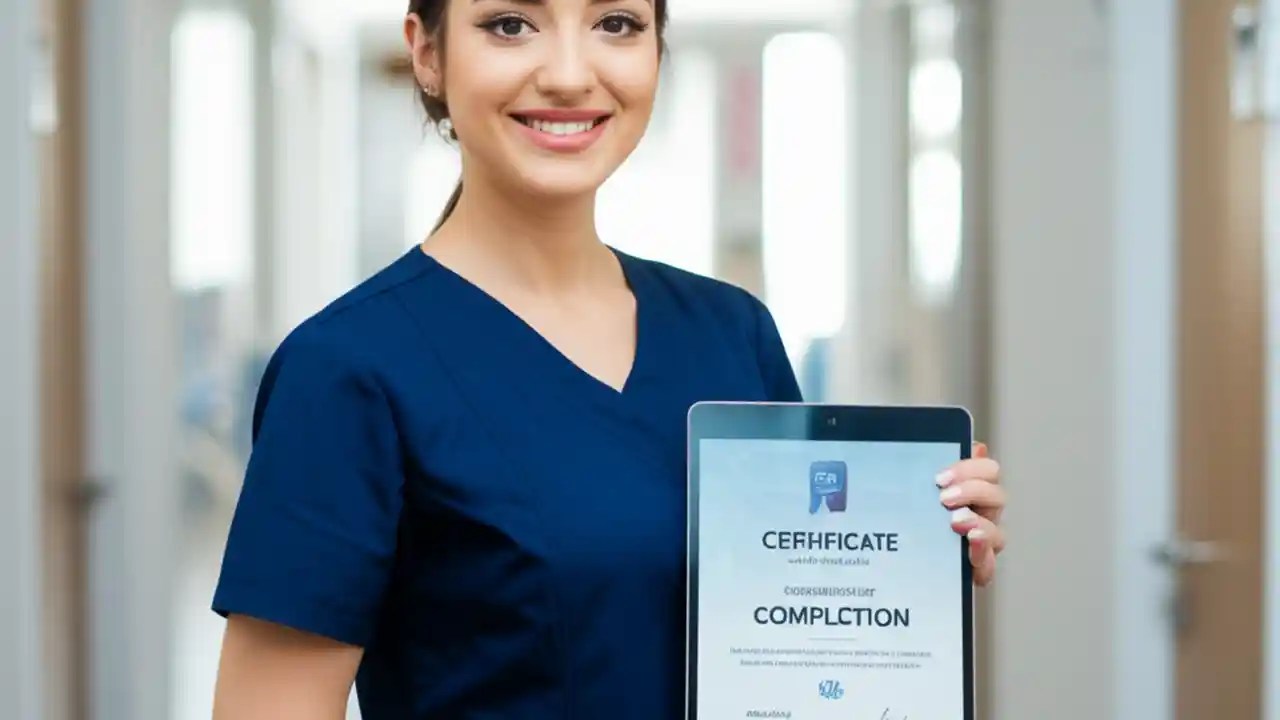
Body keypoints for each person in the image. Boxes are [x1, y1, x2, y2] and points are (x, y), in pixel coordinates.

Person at [209, 0, 1009, 717]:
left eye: (616, 23)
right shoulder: (347, 370)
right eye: (509, 24)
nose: (567, 73)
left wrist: (904, 556)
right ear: (428, 52)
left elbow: (794, 652)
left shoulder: (733, 334)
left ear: (657, 48)